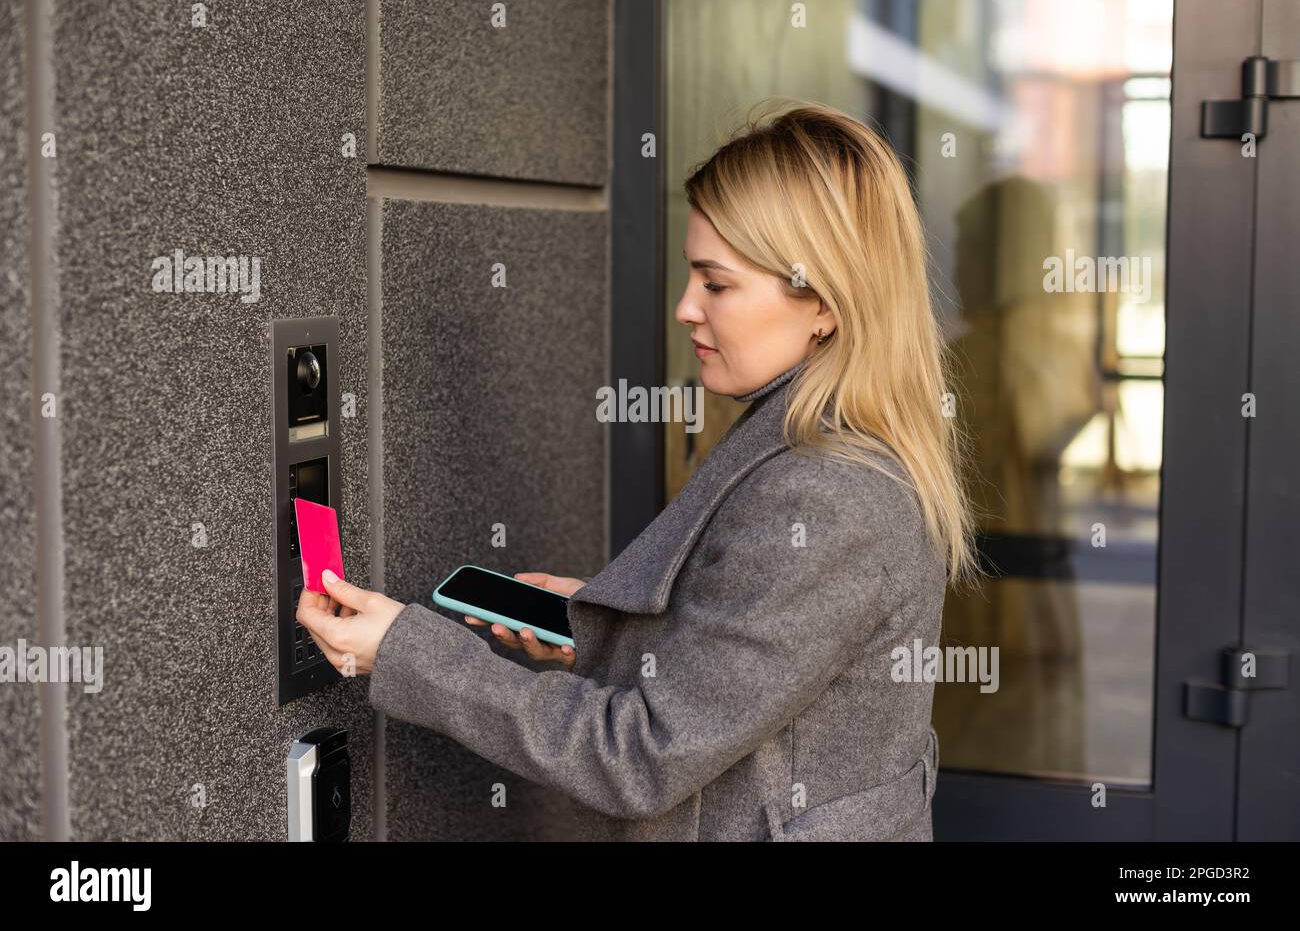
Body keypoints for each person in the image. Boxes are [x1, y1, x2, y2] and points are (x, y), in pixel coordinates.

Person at [296, 97, 978, 841]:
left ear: (823, 303)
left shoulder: (825, 498)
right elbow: (746, 674)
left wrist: (407, 651)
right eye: (692, 275)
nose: (686, 308)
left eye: (716, 284)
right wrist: (600, 636)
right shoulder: (814, 438)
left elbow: (641, 756)